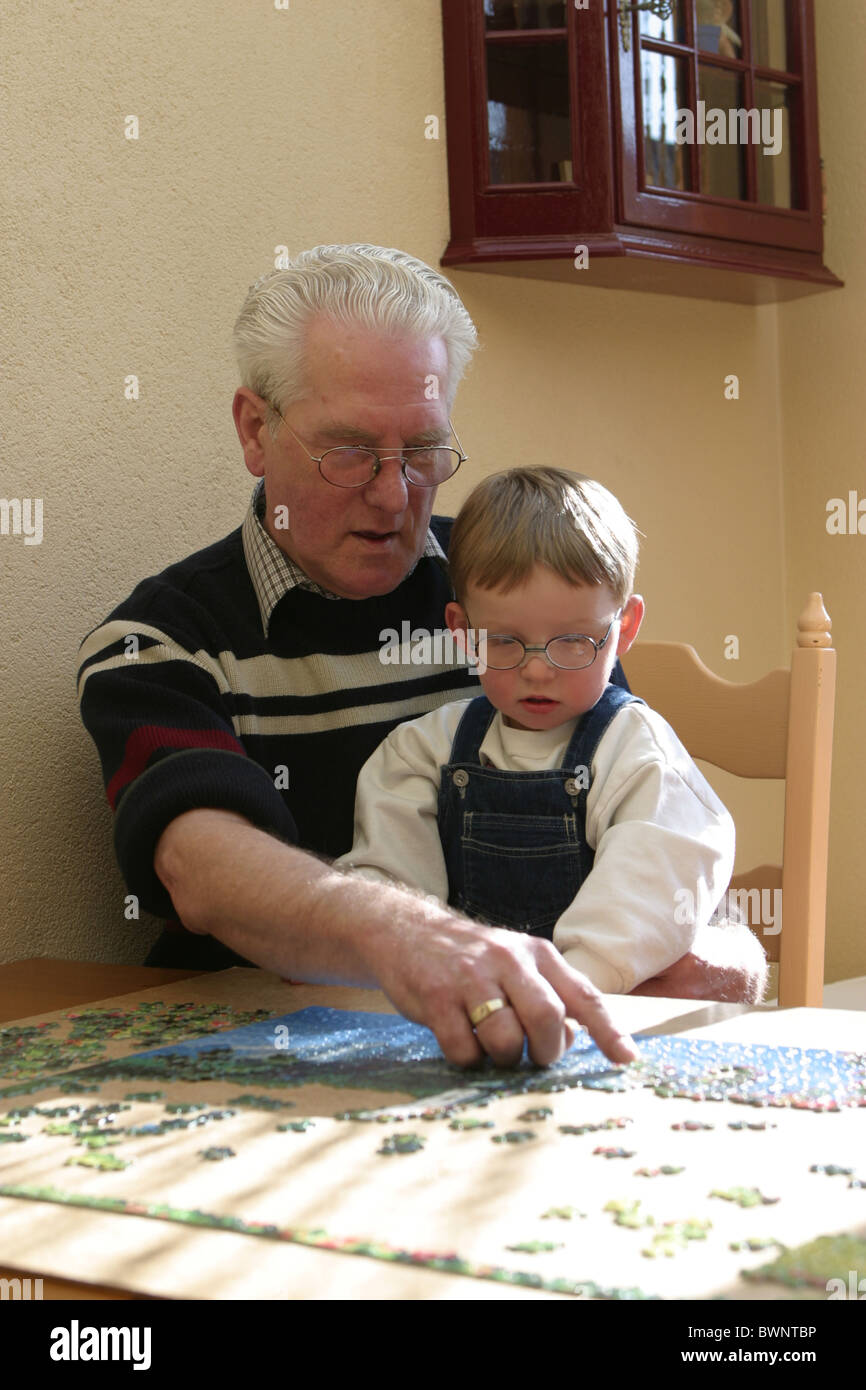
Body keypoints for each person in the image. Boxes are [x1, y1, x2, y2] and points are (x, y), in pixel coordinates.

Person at [76, 244, 767, 1073]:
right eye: (351, 451)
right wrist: (415, 944)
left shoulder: (516, 584)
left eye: (423, 453)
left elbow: (636, 818)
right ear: (256, 431)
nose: (394, 493)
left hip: (519, 1058)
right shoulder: (158, 642)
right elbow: (201, 864)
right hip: (268, 1068)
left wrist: (722, 956)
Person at [337, 467, 737, 994]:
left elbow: (646, 899)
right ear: (462, 632)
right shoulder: (422, 752)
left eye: (573, 641)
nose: (538, 670)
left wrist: (564, 992)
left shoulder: (637, 755)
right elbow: (392, 892)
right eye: (504, 640)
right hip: (469, 1015)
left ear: (626, 629)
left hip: (596, 1011)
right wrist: (350, 941)